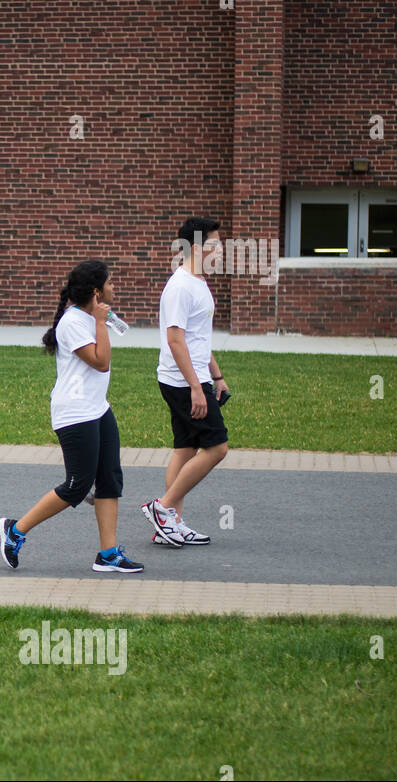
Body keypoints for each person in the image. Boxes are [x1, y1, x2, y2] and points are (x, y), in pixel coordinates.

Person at [0, 259, 144, 574]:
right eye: (110, 282)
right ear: (96, 291)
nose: (114, 287)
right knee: (78, 485)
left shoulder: (88, 316)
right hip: (75, 414)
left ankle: (108, 554)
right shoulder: (73, 322)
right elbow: (100, 361)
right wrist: (102, 324)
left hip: (98, 408)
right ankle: (15, 530)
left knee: (109, 479)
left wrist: (101, 320)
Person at [140, 218, 229, 547]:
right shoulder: (180, 286)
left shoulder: (198, 282)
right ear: (197, 247)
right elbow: (176, 341)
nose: (221, 250)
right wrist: (196, 387)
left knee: (184, 449)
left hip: (190, 376)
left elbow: (197, 340)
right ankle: (162, 509)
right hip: (182, 381)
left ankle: (169, 526)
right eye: (216, 244)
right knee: (217, 447)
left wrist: (216, 376)